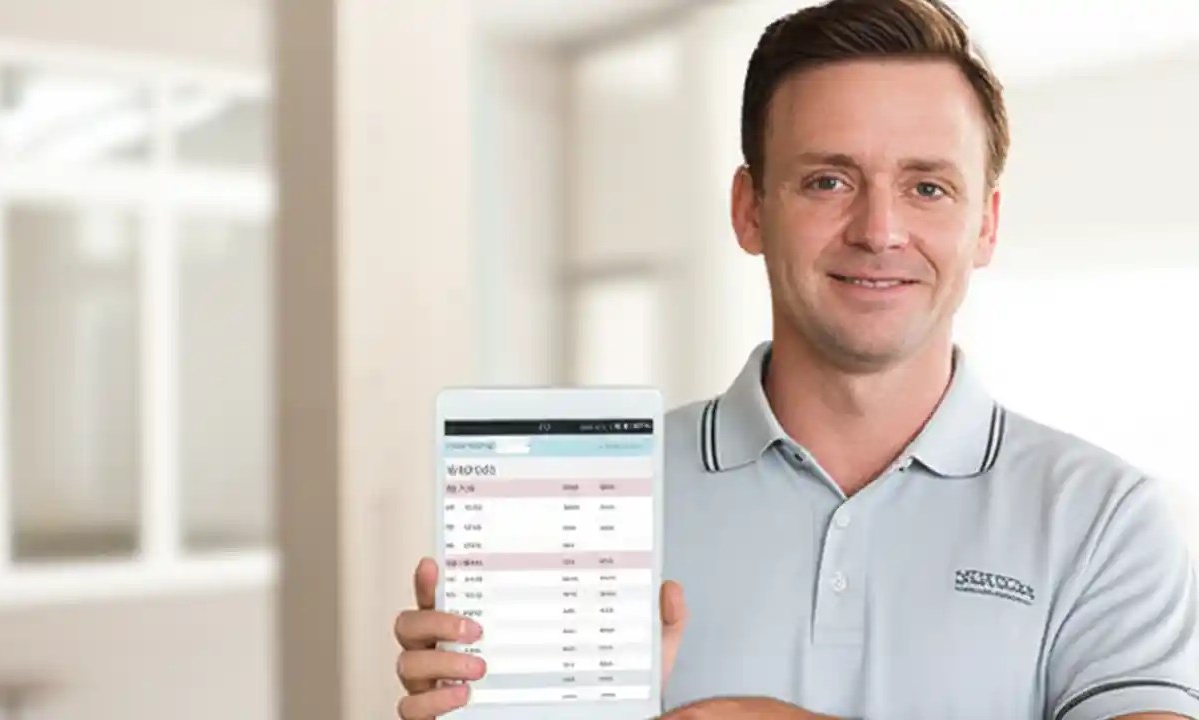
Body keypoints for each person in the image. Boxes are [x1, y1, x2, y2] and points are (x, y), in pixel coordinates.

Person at [392, 0, 1199, 717]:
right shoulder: (592, 497)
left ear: (985, 225)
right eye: (827, 181)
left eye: (927, 188)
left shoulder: (1107, 521)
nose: (879, 230)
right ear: (749, 210)